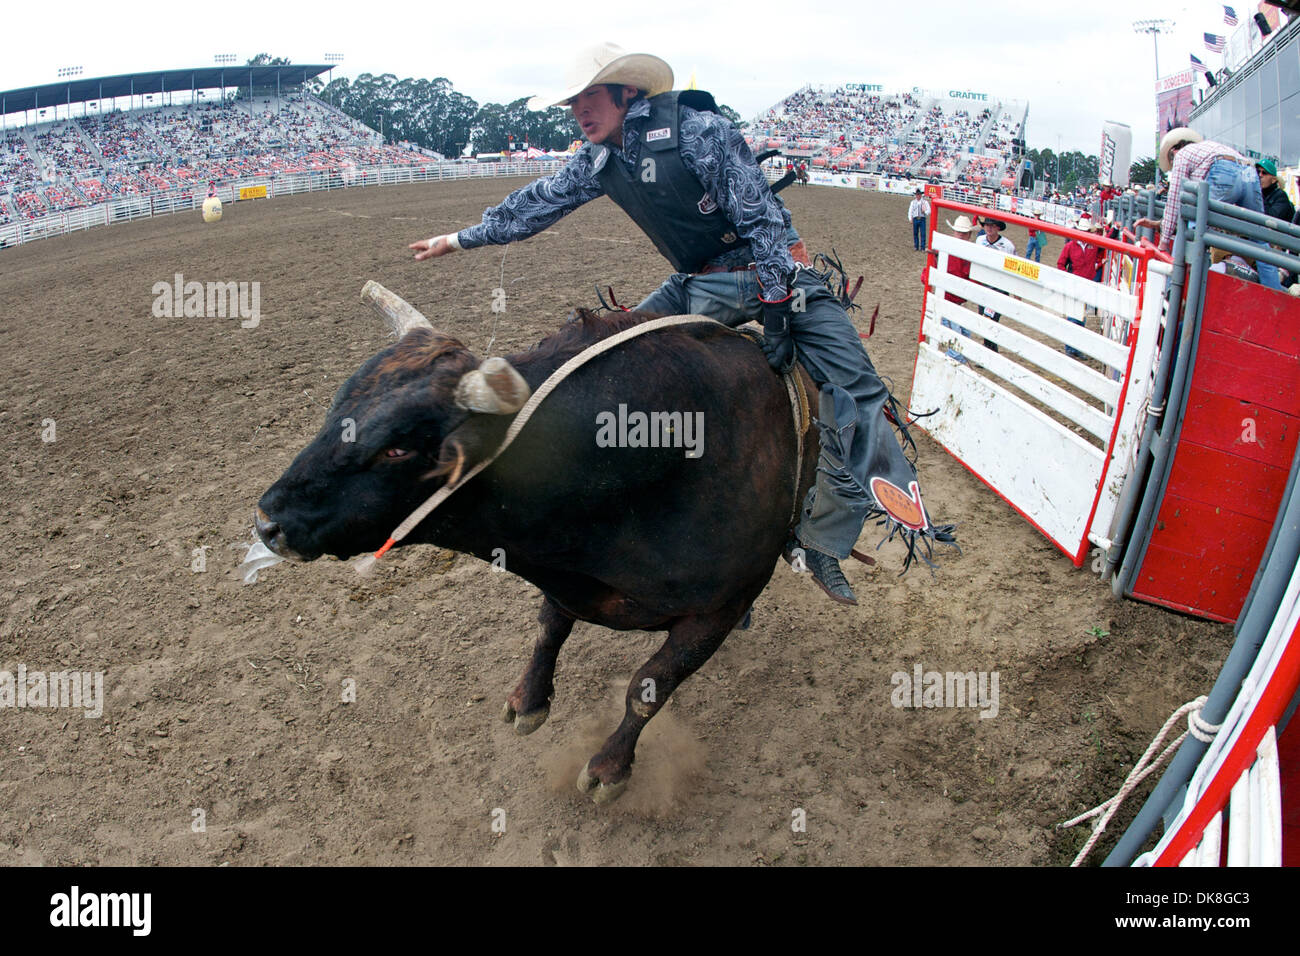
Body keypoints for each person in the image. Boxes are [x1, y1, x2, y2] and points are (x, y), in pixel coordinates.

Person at [408, 43, 951, 604]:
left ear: (627, 92)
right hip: (696, 284)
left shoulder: (699, 130)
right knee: (605, 363)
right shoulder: (596, 160)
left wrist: (777, 303)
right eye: (573, 103)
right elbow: (535, 204)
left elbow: (761, 219)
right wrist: (456, 239)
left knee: (857, 389)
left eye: (589, 97)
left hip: (777, 274)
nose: (580, 112)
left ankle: (823, 539)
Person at [1133, 128, 1282, 291]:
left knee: (1190, 226)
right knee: (1259, 236)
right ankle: (1274, 292)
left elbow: (1176, 198)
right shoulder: (1209, 149)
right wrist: (1162, 224)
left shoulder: (1183, 155)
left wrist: (1163, 242)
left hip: (1224, 171)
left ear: (1175, 149)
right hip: (1248, 172)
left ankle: (1171, 289)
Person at [1058, 216, 1102, 357]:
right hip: (1075, 284)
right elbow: (1060, 264)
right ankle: (1071, 348)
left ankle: (1075, 348)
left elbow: (1106, 245)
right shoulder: (1070, 246)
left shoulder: (1093, 245)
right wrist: (1067, 278)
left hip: (1087, 284)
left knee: (1081, 317)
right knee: (1074, 316)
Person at [973, 217, 1014, 353]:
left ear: (998, 227)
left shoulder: (1007, 246)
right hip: (984, 286)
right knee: (985, 319)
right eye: (987, 225)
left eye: (992, 226)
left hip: (999, 288)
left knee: (991, 319)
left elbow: (1014, 268)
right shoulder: (980, 241)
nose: (989, 228)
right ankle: (990, 350)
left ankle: (989, 351)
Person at [1257, 158, 1295, 223]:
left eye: (1264, 173)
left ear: (1273, 180)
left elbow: (1272, 219)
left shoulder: (1280, 196)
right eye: (1258, 172)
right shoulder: (1255, 193)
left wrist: (1258, 195)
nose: (1260, 175)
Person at [908, 188, 931, 252]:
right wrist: (910, 218)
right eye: (917, 194)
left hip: (922, 218)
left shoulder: (925, 202)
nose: (918, 196)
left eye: (919, 194)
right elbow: (910, 211)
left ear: (921, 195)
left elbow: (929, 211)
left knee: (923, 233)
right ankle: (916, 246)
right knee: (915, 233)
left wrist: (925, 212)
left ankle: (922, 247)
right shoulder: (913, 202)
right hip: (915, 218)